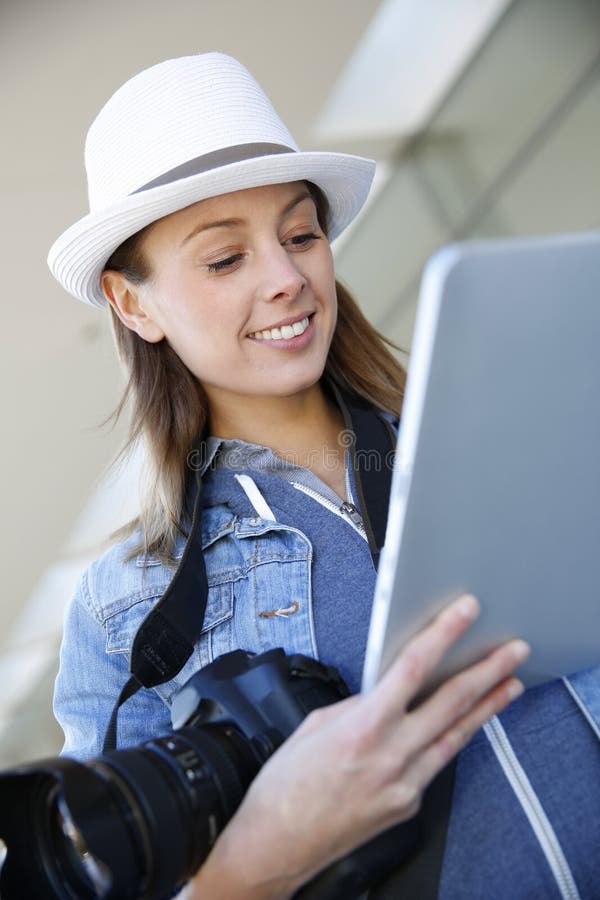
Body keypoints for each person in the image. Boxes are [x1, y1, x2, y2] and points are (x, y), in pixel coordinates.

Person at [48, 53, 600, 900]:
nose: (287, 279)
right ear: (133, 304)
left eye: (301, 234)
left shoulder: (495, 435)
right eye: (226, 259)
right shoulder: (126, 609)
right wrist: (250, 869)